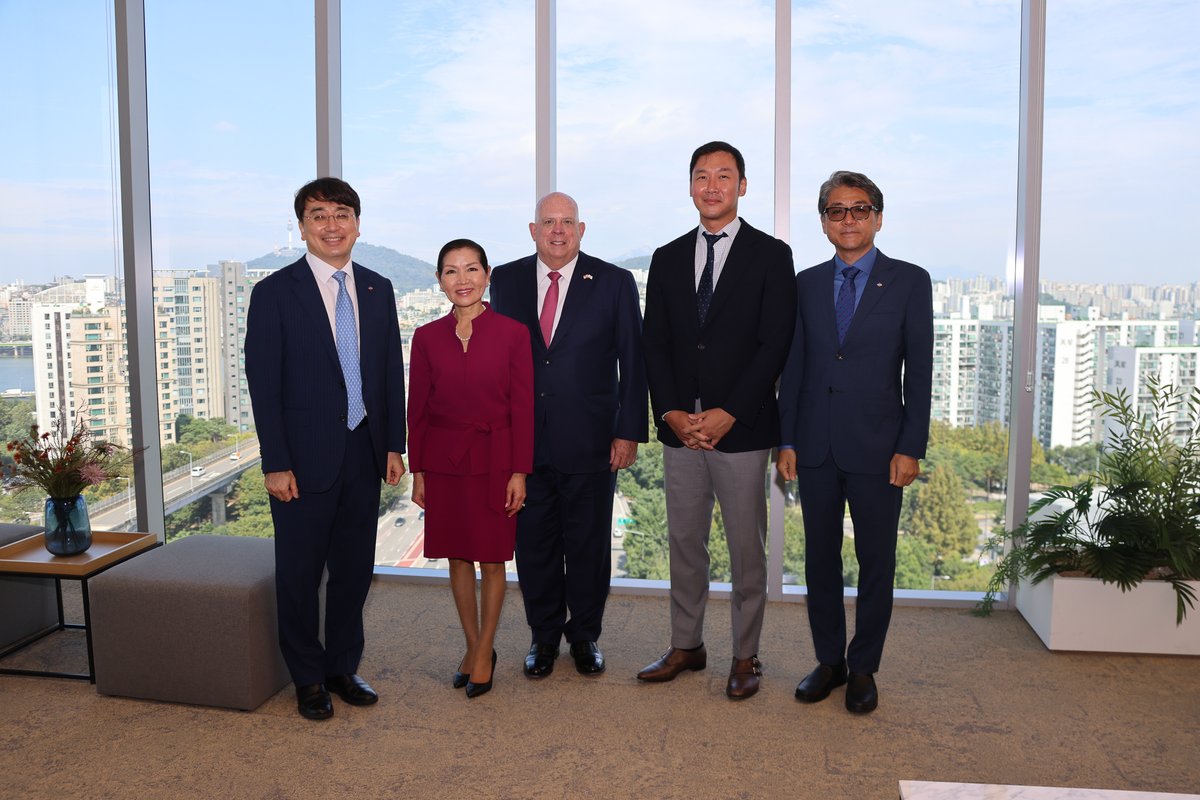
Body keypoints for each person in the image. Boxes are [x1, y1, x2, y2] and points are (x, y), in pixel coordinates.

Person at [638, 141, 796, 700]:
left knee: (745, 549)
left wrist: (731, 412)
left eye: (724, 176)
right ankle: (688, 645)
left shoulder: (772, 255)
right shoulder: (666, 255)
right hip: (681, 428)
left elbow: (775, 343)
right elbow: (653, 343)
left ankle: (746, 655)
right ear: (690, 186)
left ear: (742, 186)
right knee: (685, 542)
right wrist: (671, 411)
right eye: (702, 176)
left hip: (743, 428)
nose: (712, 186)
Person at [244, 177, 407, 721]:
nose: (331, 225)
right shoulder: (273, 293)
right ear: (302, 227)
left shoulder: (381, 288)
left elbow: (389, 377)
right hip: (302, 462)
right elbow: (263, 386)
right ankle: (307, 678)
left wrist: (393, 446)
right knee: (298, 575)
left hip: (364, 454)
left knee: (354, 570)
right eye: (319, 215)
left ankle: (341, 666)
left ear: (357, 223)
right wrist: (275, 462)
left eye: (341, 214)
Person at [776, 170, 933, 714]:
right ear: (823, 222)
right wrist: (787, 439)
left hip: (879, 448)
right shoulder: (805, 283)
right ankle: (830, 661)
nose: (849, 219)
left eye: (859, 209)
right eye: (837, 210)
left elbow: (921, 371)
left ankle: (864, 666)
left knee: (876, 563)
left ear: (878, 218)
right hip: (815, 446)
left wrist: (911, 446)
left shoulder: (911, 280)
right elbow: (793, 367)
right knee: (819, 561)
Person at [490, 192, 648, 680]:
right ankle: (542, 637)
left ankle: (584, 637)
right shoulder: (506, 279)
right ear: (533, 230)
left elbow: (633, 362)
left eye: (567, 222)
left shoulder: (615, 282)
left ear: (581, 230)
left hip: (593, 441)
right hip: (524, 444)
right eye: (548, 222)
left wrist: (629, 433)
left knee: (588, 545)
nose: (558, 230)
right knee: (534, 546)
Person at [407, 239, 534, 699]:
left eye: (471, 269)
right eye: (451, 271)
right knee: (457, 557)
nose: (462, 280)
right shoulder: (425, 337)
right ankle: (471, 645)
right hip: (442, 461)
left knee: (494, 558)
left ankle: (485, 651)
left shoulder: (513, 333)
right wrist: (417, 469)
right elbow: (416, 409)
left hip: (497, 458)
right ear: (439, 281)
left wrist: (520, 470)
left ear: (487, 275)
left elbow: (523, 409)